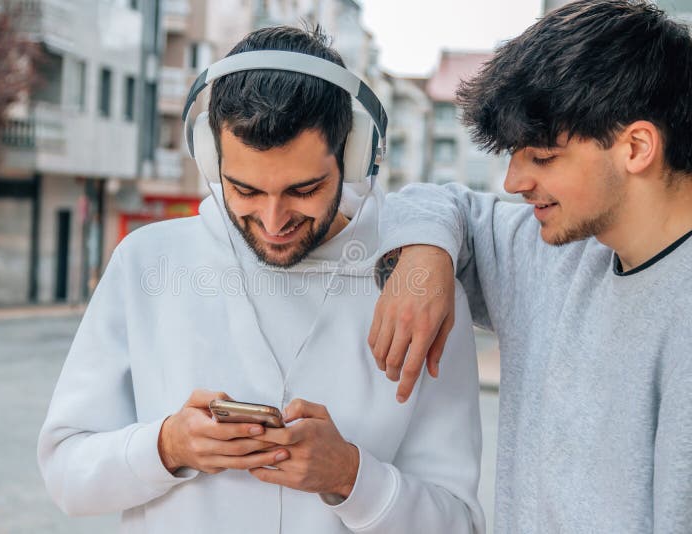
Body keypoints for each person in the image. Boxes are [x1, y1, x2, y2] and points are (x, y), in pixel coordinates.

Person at [38, 26, 485, 533]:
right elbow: (66, 474)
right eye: (245, 190)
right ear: (211, 159)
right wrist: (166, 447)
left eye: (304, 189)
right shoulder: (145, 262)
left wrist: (351, 477)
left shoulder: (418, 289)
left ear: (355, 155)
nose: (274, 221)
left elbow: (459, 524)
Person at [368, 1, 692, 532]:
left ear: (636, 146)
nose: (513, 182)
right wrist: (424, 261)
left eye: (542, 158)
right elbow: (440, 203)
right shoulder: (558, 253)